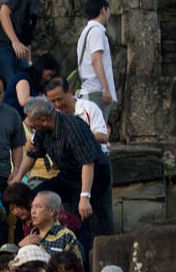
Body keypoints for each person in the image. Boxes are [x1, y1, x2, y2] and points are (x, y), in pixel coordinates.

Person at [14, 98, 113, 258]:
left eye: (33, 123)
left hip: (92, 176)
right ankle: (30, 243)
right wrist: (17, 177)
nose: (30, 126)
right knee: (32, 196)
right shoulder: (42, 130)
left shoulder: (73, 127)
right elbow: (32, 155)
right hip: (67, 175)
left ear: (44, 120)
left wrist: (85, 197)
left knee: (81, 219)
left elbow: (88, 164)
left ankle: (80, 266)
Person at [75, 0, 116, 121]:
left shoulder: (86, 32)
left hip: (90, 89)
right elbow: (96, 59)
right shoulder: (96, 31)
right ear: (104, 9)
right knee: (98, 130)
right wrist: (106, 88)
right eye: (108, 11)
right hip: (97, 90)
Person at [44, 77, 110, 149]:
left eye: (59, 99)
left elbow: (103, 137)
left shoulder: (89, 108)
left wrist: (77, 138)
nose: (57, 104)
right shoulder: (51, 112)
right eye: (52, 101)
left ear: (70, 92)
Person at [20, 190, 79, 256]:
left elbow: (77, 265)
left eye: (38, 207)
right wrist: (20, 247)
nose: (33, 211)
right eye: (32, 207)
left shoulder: (66, 236)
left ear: (51, 211)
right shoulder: (31, 235)